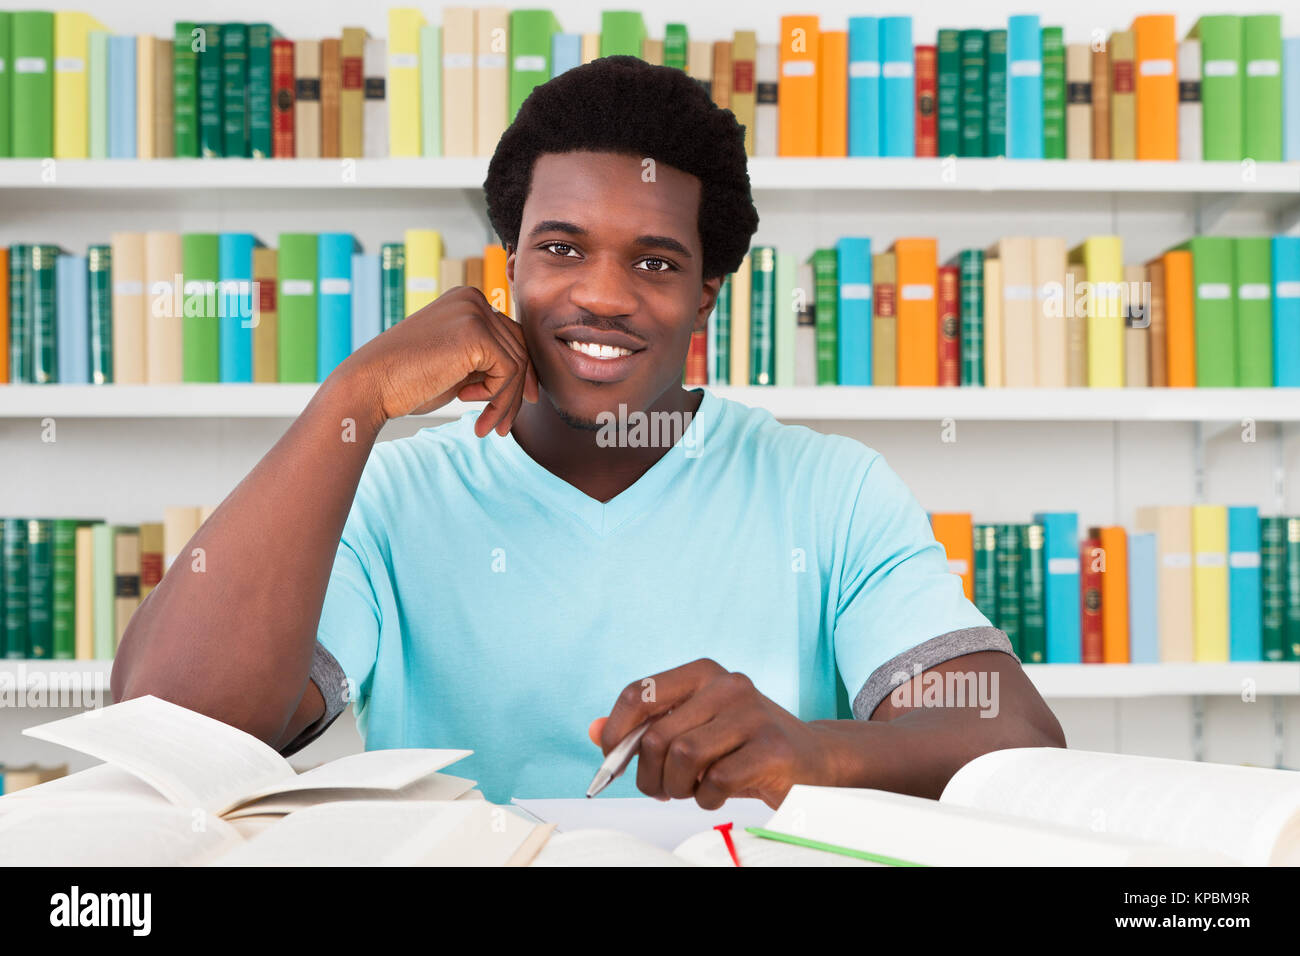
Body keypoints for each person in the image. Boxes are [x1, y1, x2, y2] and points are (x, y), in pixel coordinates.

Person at [112, 55, 1064, 809]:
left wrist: (814, 747)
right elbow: (172, 723)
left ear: (707, 297)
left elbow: (1012, 737)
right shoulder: (388, 496)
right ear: (510, 264)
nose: (602, 296)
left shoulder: (829, 489)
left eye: (655, 262)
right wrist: (351, 398)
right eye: (561, 248)